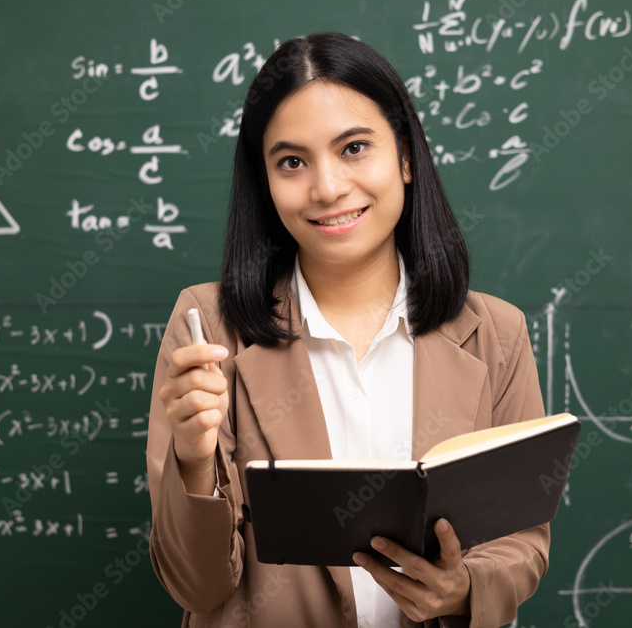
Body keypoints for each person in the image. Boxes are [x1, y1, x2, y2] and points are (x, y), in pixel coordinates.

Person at [147, 32, 549, 628]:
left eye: (355, 148)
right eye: (291, 162)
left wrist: (463, 590)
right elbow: (197, 589)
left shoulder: (497, 333)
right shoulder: (208, 330)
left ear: (406, 157)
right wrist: (193, 462)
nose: (328, 188)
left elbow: (521, 541)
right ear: (265, 182)